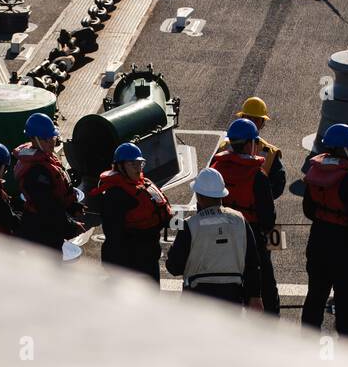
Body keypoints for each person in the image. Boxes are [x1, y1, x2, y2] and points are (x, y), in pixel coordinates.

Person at [301, 123, 348, 338]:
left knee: (315, 296)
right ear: (342, 149)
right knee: (346, 300)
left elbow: (308, 210)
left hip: (318, 239)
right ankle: (346, 344)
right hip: (343, 245)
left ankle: (307, 343)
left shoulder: (315, 172)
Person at [165, 167, 262, 307]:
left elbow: (174, 267)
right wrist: (255, 295)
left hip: (197, 299)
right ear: (222, 195)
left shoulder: (190, 225)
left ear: (199, 196)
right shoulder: (240, 220)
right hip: (232, 298)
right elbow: (253, 262)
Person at [210, 118, 278, 314]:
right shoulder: (258, 176)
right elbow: (268, 219)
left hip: (220, 237)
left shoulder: (216, 169)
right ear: (250, 144)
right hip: (253, 238)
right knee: (266, 289)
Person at [89, 142, 173, 282]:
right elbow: (114, 236)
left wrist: (183, 225)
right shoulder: (115, 195)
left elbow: (161, 215)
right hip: (130, 264)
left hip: (148, 259)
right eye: (132, 164)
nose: (137, 168)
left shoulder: (144, 185)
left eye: (139, 164)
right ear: (120, 166)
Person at [13, 112, 84, 253]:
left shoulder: (46, 158)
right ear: (35, 139)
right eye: (46, 139)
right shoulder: (36, 172)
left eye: (52, 137)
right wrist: (71, 226)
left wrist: (73, 206)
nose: (52, 142)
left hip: (47, 226)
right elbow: (48, 207)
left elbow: (57, 192)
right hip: (41, 230)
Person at [215, 97, 286, 199]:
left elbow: (277, 187)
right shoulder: (223, 146)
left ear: (262, 123)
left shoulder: (271, 154)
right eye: (248, 118)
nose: (251, 123)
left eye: (256, 120)